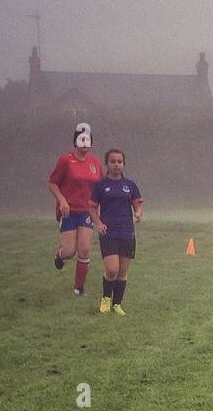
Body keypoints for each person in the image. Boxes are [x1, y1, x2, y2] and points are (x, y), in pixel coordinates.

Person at [47, 131, 103, 296]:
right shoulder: (66, 160)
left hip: (87, 211)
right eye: (82, 139)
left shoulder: (95, 163)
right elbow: (52, 183)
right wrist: (62, 200)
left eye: (88, 140)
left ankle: (79, 289)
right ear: (75, 142)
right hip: (69, 211)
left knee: (84, 249)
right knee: (70, 251)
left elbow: (100, 187)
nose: (85, 143)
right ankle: (60, 254)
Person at [90, 149, 144, 316]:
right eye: (112, 161)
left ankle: (117, 304)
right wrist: (98, 223)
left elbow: (137, 203)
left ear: (123, 164)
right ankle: (106, 299)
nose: (116, 165)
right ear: (107, 164)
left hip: (127, 232)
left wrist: (138, 212)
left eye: (119, 161)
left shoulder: (130, 185)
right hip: (109, 232)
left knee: (122, 271)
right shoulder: (101, 185)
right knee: (112, 269)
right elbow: (92, 207)